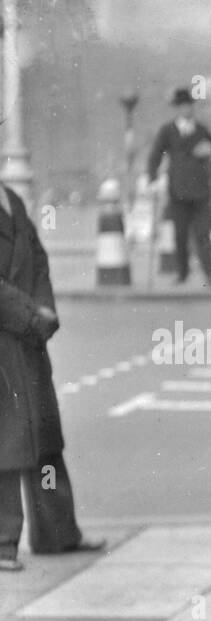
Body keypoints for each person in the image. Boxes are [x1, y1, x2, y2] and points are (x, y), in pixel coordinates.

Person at [0, 182, 105, 571]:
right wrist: (30, 315)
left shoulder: (11, 199)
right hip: (7, 336)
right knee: (7, 446)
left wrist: (45, 309)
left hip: (28, 342)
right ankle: (3, 543)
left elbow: (39, 260)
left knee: (44, 442)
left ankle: (57, 533)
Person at [146, 86, 211, 287]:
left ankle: (209, 274)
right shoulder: (168, 130)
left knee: (203, 234)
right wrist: (152, 178)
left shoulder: (202, 129)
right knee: (180, 235)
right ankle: (182, 273)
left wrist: (210, 150)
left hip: (200, 190)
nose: (187, 110)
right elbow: (155, 155)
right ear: (177, 109)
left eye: (190, 106)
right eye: (183, 106)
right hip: (177, 190)